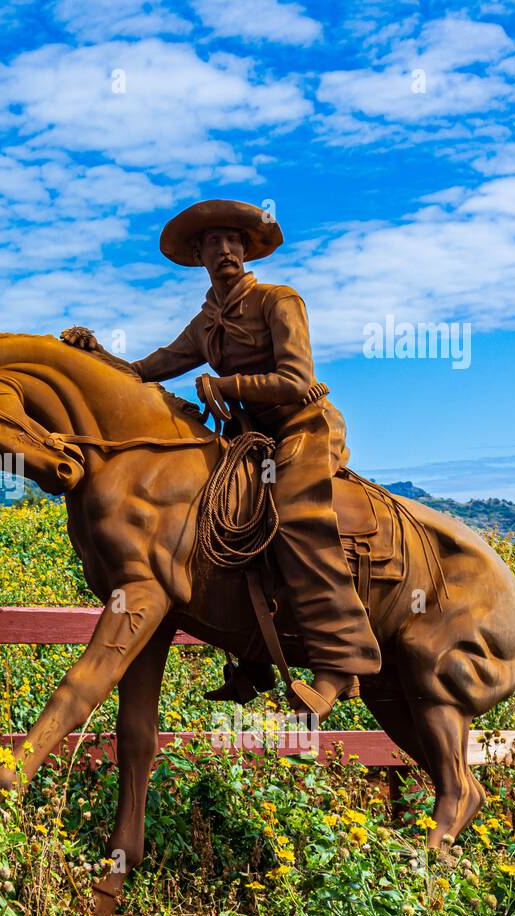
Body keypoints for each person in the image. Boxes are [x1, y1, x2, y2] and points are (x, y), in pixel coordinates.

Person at [60, 199, 381, 720]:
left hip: (301, 428)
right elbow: (145, 370)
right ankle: (253, 654)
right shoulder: (206, 322)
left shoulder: (279, 300)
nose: (226, 249)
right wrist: (94, 354)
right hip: (247, 437)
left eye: (234, 240)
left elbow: (297, 380)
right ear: (198, 254)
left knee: (295, 516)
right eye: (214, 242)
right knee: (212, 522)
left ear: (247, 250)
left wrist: (225, 384)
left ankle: (340, 661)